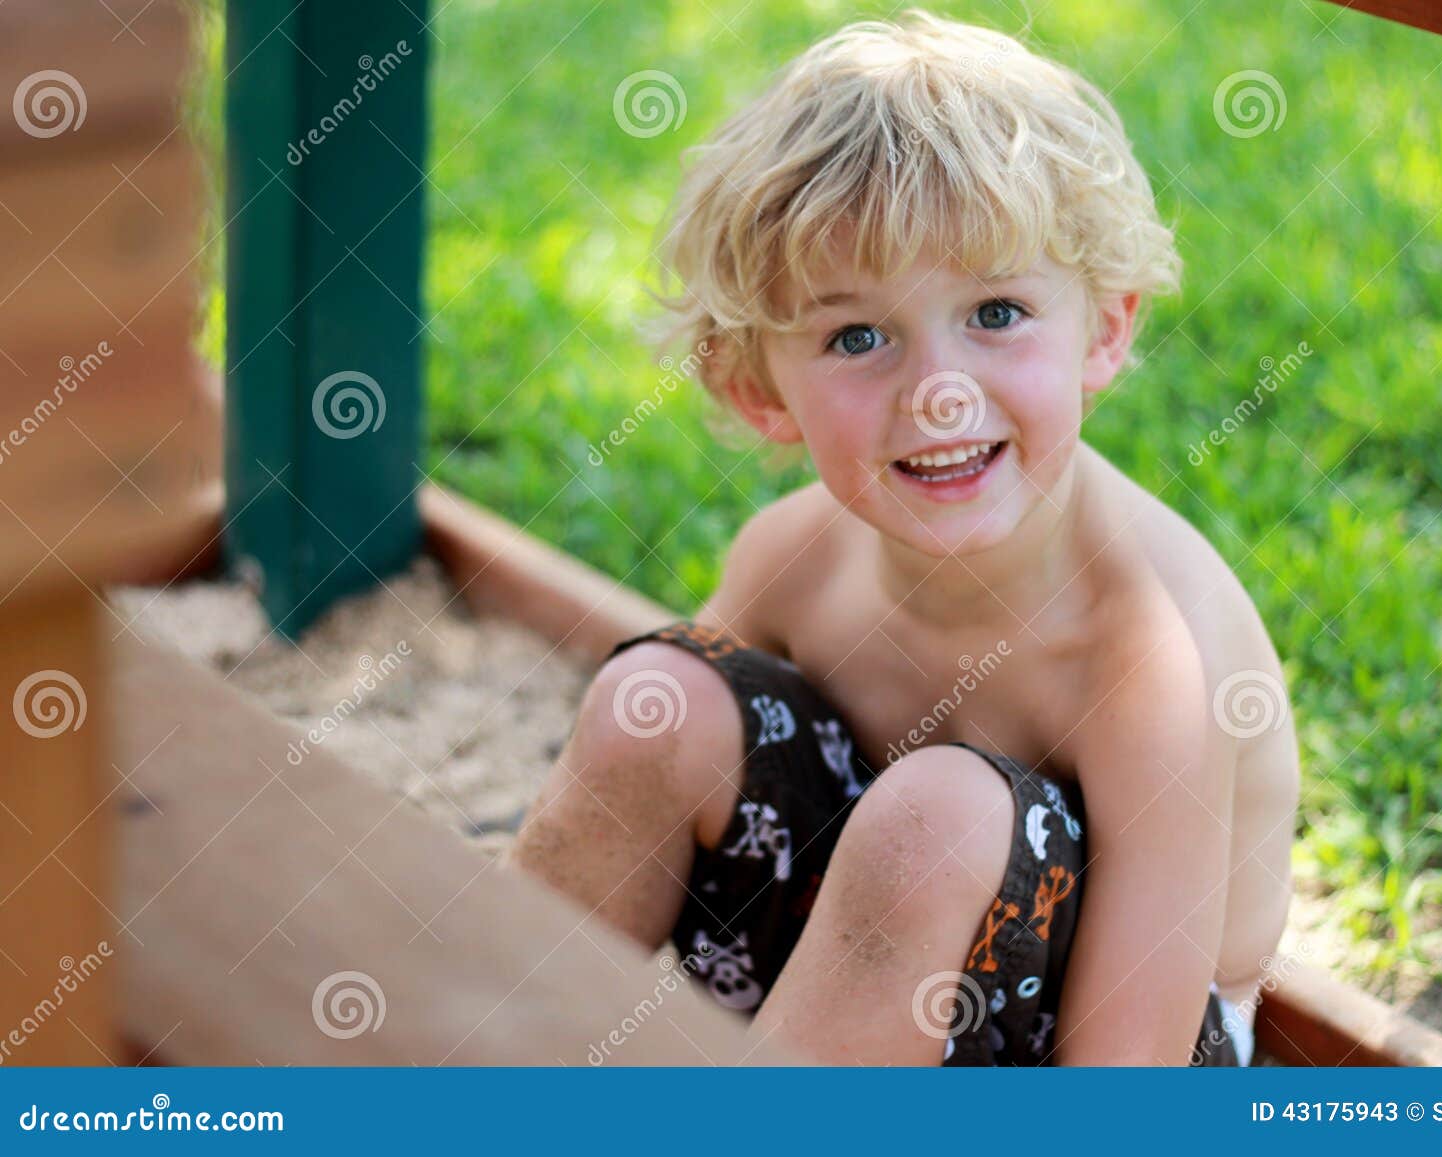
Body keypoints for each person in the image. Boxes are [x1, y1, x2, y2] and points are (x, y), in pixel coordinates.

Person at [506, 9, 1299, 1067]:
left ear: (1104, 326)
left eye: (997, 312)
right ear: (755, 388)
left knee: (938, 811)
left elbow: (1128, 1082)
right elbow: (709, 811)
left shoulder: (1149, 663)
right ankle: (471, 1067)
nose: (935, 396)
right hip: (853, 997)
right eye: (858, 336)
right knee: (656, 705)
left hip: (1122, 1055)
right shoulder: (791, 559)